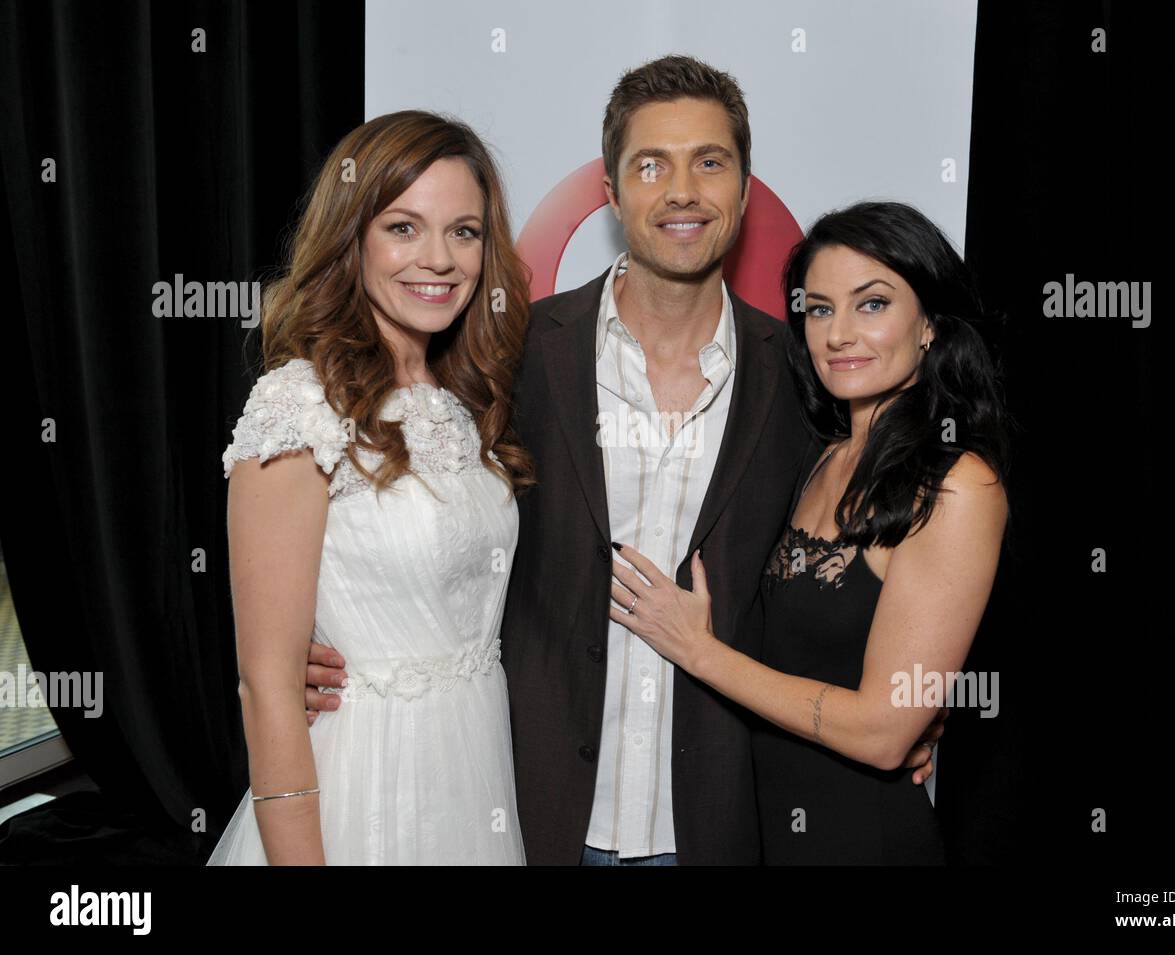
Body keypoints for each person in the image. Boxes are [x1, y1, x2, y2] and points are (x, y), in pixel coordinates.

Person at [304, 56, 942, 865]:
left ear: (745, 192)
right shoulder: (509, 352)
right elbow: (393, 507)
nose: (682, 190)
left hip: (724, 824)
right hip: (527, 813)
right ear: (610, 192)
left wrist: (915, 697)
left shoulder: (806, 371)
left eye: (709, 162)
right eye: (651, 165)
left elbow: (856, 567)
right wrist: (304, 643)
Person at [607, 200, 1012, 863]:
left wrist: (699, 650)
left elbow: (884, 731)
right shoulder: (819, 454)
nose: (839, 333)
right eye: (820, 308)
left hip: (860, 840)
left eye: (872, 303)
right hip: (761, 831)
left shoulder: (957, 484)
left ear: (932, 325)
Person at [208, 110, 534, 865]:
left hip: (472, 775)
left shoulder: (469, 396)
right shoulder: (298, 405)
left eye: (464, 231)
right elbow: (267, 686)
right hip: (360, 785)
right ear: (351, 237)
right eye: (402, 227)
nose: (439, 257)